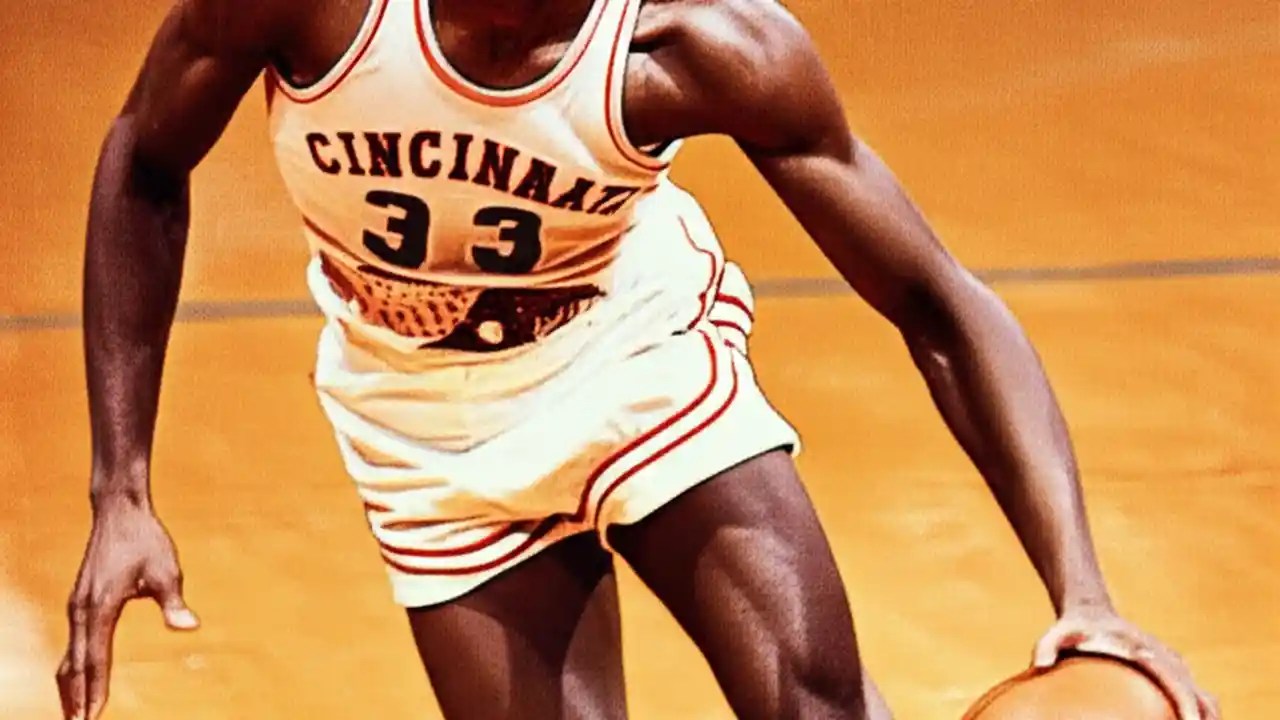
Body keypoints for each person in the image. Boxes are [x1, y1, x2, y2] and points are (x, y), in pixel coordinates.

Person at [58, 0, 1219, 718]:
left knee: (813, 706)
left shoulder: (697, 44)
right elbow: (144, 160)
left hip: (630, 356)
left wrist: (1082, 595)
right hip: (418, 418)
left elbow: (935, 302)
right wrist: (122, 493)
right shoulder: (311, 9)